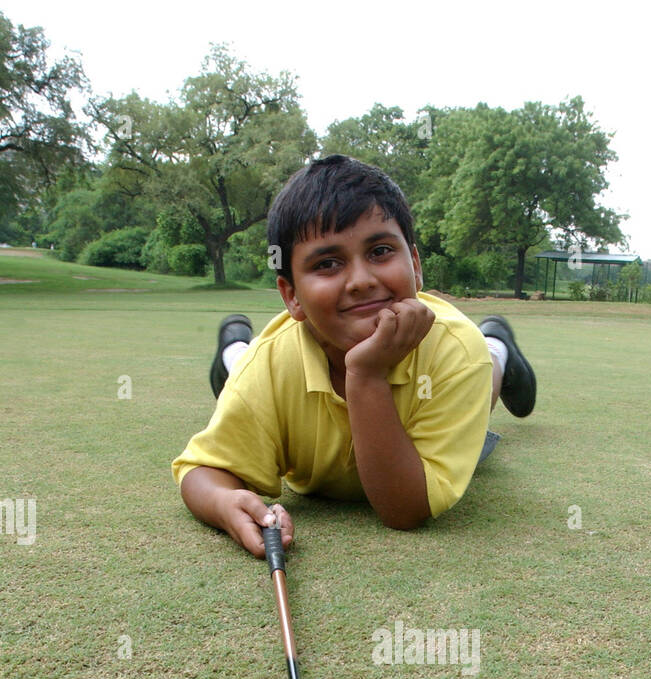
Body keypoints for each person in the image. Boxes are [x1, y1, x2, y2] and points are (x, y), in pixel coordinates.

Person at [171, 156, 536, 558]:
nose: (362, 280)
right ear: (292, 296)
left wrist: (366, 374)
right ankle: (234, 349)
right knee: (251, 366)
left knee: (482, 377)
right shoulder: (271, 363)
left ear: (415, 265)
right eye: (327, 263)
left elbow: (404, 508)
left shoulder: (454, 350)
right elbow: (201, 472)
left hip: (450, 383)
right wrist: (225, 504)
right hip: (270, 359)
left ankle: (497, 345)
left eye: (380, 251)